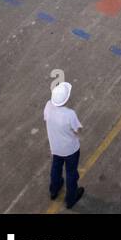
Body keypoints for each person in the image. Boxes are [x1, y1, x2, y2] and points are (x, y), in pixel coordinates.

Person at [43, 81, 84, 209]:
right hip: (70, 149)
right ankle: (71, 199)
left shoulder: (48, 106)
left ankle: (54, 190)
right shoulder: (70, 114)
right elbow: (77, 130)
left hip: (56, 147)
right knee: (71, 173)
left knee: (56, 168)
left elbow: (47, 119)